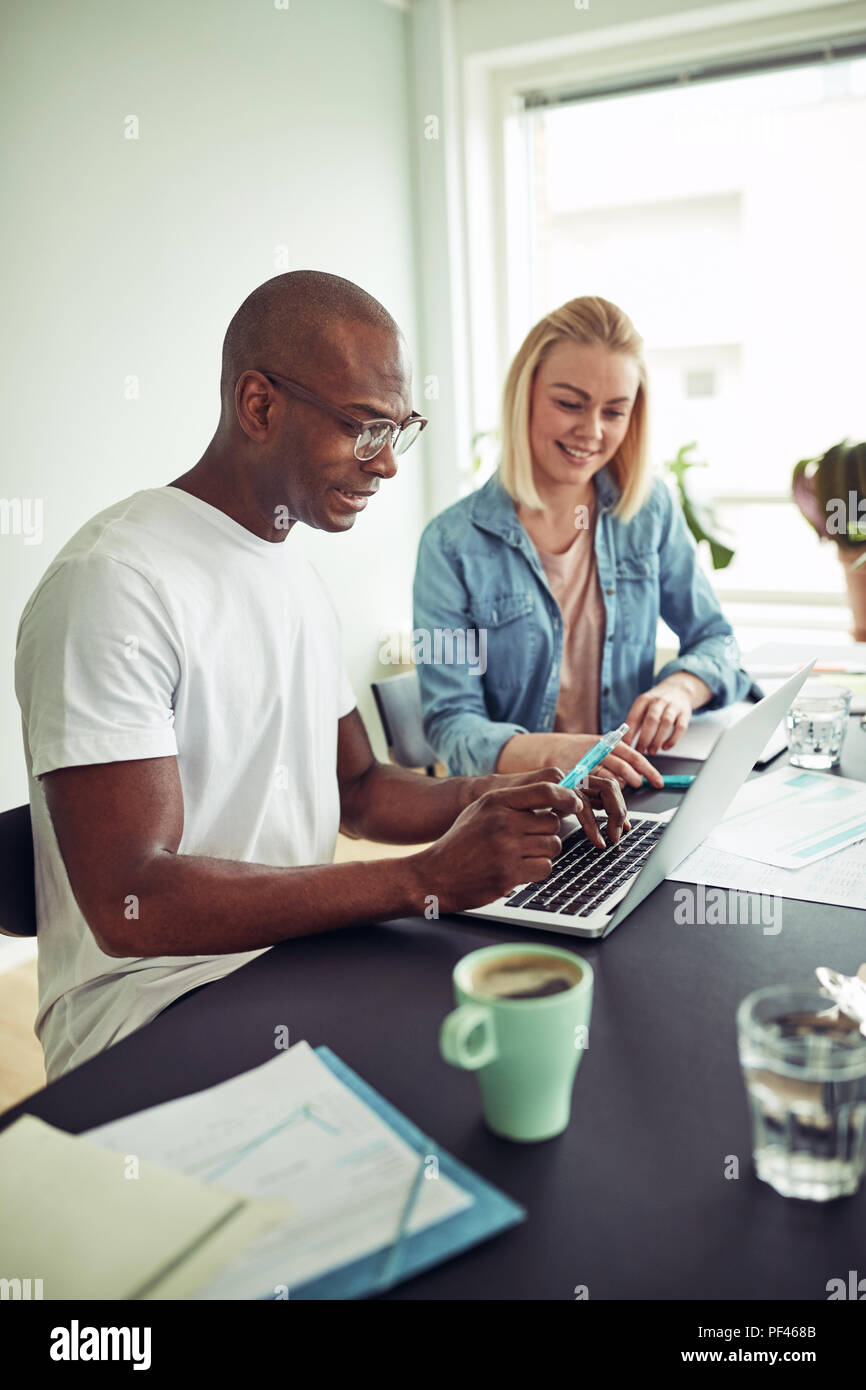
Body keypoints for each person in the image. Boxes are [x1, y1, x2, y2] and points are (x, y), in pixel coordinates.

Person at [14, 271, 629, 1082]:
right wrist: (422, 879)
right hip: (150, 1011)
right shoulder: (116, 580)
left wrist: (497, 798)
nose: (386, 466)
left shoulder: (293, 572)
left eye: (398, 431)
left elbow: (361, 789)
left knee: (558, 1029)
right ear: (260, 405)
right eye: (364, 429)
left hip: (289, 963)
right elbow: (135, 901)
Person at [413, 295, 750, 784]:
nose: (591, 431)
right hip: (517, 813)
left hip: (627, 800)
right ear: (524, 395)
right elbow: (451, 725)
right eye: (570, 403)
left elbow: (719, 640)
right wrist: (563, 754)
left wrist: (680, 688)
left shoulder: (648, 510)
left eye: (614, 412)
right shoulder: (449, 545)